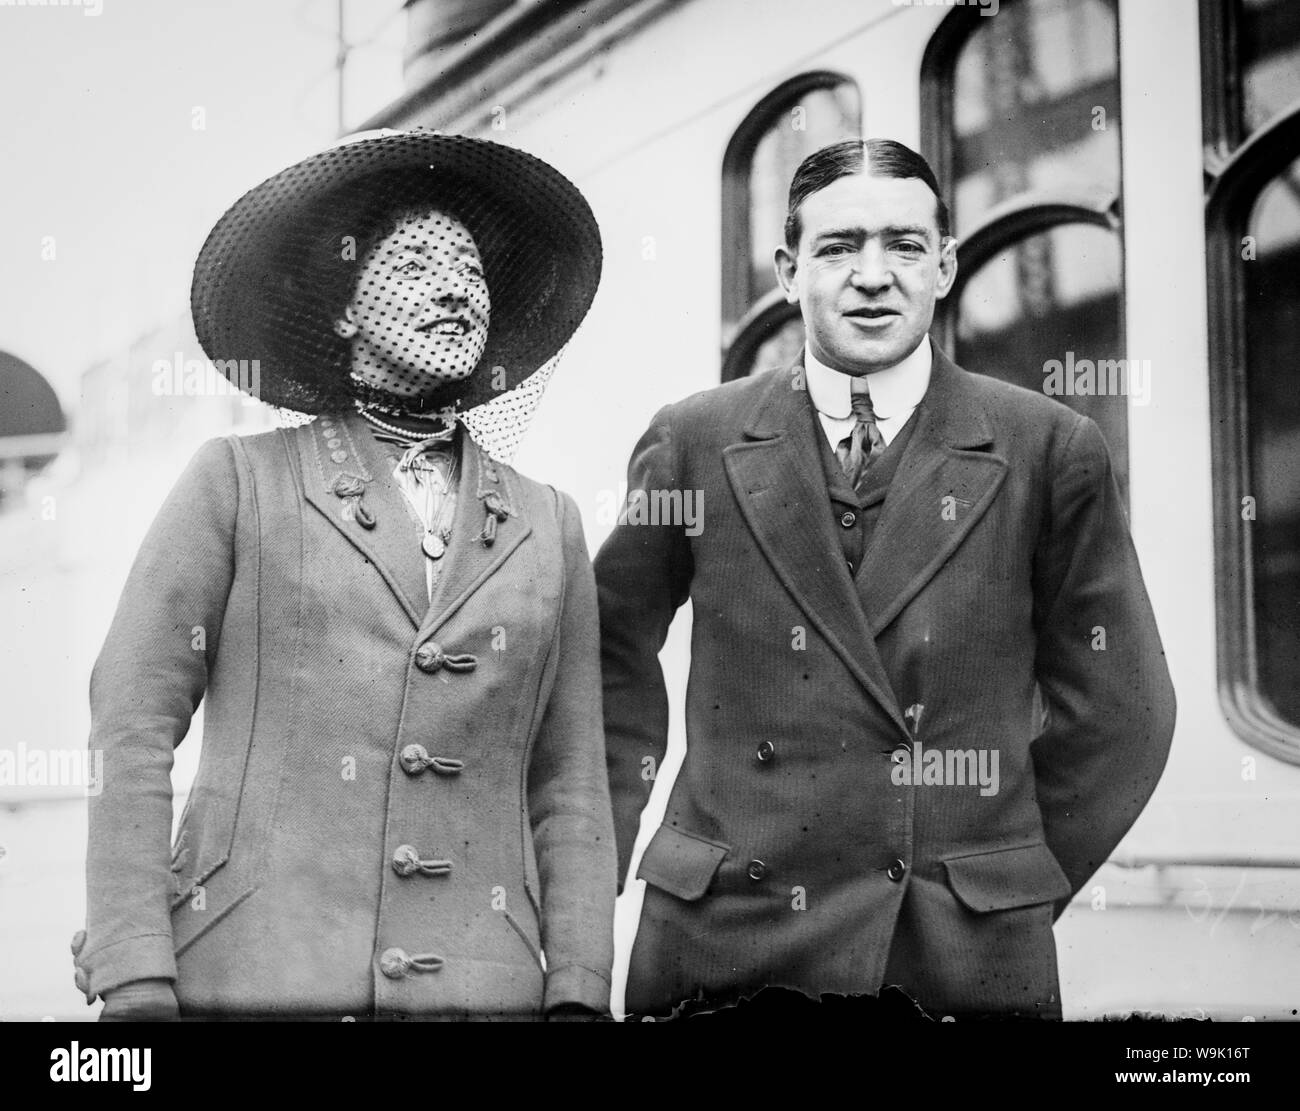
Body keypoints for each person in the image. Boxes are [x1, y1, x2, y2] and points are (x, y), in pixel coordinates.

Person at [595, 138, 1176, 1019]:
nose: (874, 275)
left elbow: (1125, 710)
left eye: (905, 245)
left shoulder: (1047, 448)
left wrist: (997, 879)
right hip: (724, 946)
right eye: (838, 247)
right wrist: (598, 867)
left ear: (944, 266)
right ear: (789, 272)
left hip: (952, 963)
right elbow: (605, 655)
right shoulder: (696, 442)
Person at [72, 130, 617, 1020]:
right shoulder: (236, 483)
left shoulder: (549, 523)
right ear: (343, 312)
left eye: (471, 271)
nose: (453, 288)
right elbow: (130, 726)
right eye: (411, 266)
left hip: (487, 995)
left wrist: (580, 991)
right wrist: (135, 971)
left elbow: (572, 786)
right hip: (253, 980)